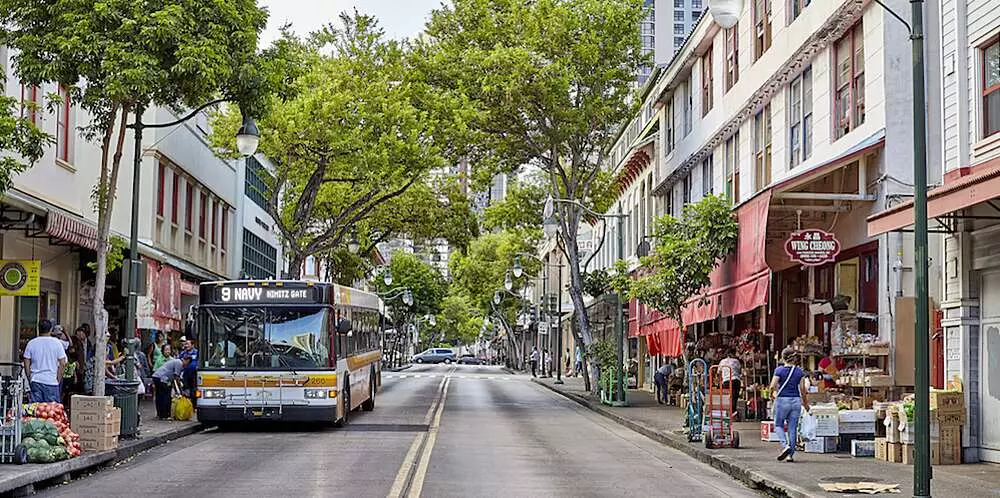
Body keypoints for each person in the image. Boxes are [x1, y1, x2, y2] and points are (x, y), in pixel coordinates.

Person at [768, 347, 810, 463]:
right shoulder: (799, 371)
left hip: (782, 400)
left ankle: (785, 445)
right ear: (794, 358)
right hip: (796, 401)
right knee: (792, 428)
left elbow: (772, 385)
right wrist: (805, 404)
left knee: (778, 425)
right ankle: (790, 455)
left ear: (783, 358)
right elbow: (802, 390)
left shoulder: (779, 370)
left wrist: (771, 395)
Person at [23, 320, 68, 403]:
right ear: (50, 330)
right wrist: (58, 378)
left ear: (38, 329)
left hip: (36, 380)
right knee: (52, 411)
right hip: (51, 381)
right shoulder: (57, 343)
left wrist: (29, 376)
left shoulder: (31, 343)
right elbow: (63, 362)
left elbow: (26, 361)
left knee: (36, 410)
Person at [719, 349, 742, 417]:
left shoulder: (722, 361)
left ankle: (727, 412)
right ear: (733, 354)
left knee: (727, 397)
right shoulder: (736, 361)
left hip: (726, 381)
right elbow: (739, 371)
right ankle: (733, 411)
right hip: (735, 380)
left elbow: (719, 372)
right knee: (734, 396)